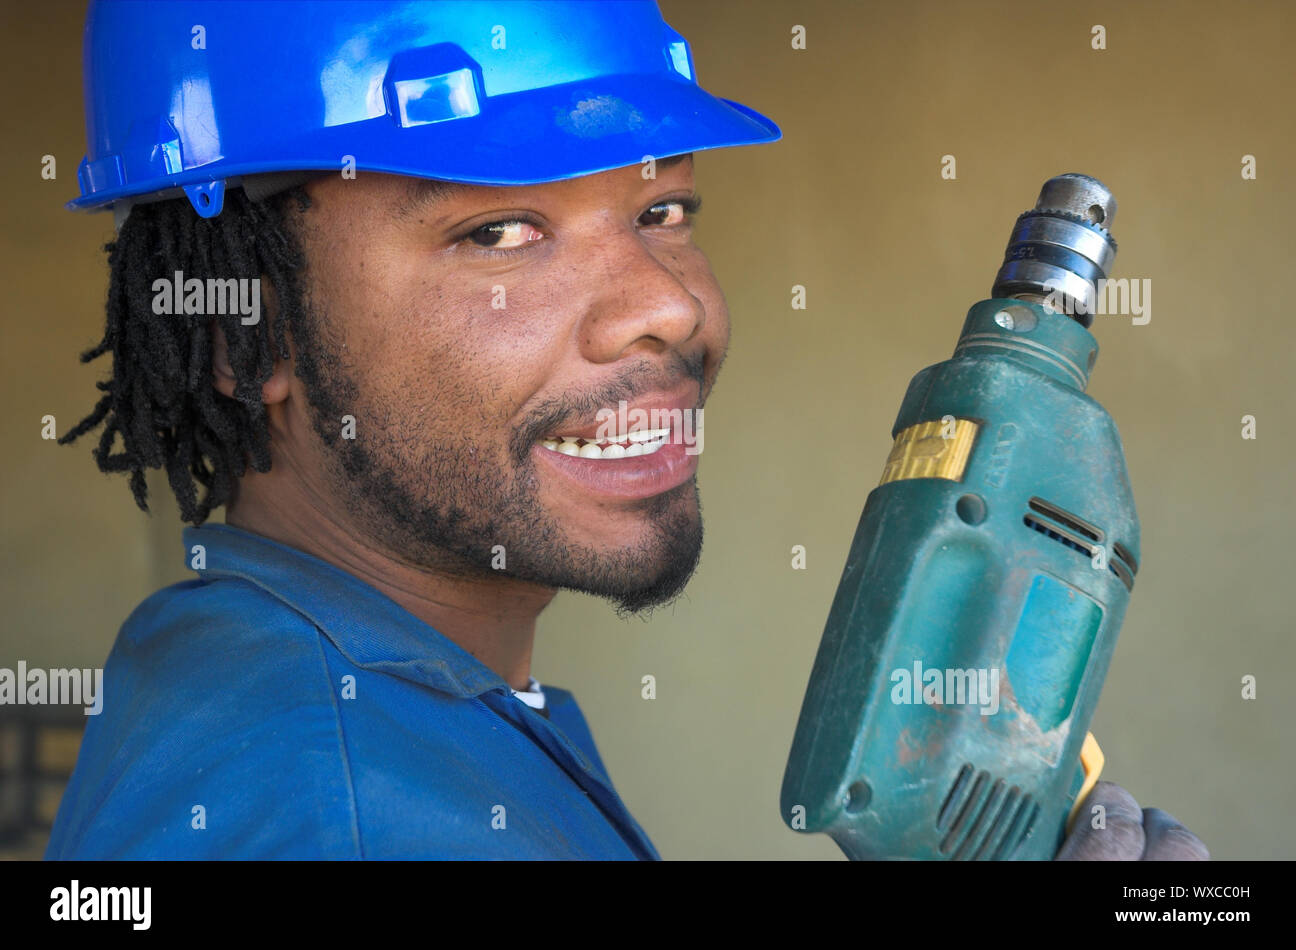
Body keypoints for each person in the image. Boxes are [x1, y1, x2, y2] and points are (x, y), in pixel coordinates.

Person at [46, 0, 1207, 860]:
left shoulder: (358, 699)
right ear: (239, 340)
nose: (670, 303)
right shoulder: (327, 809)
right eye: (499, 231)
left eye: (663, 209)